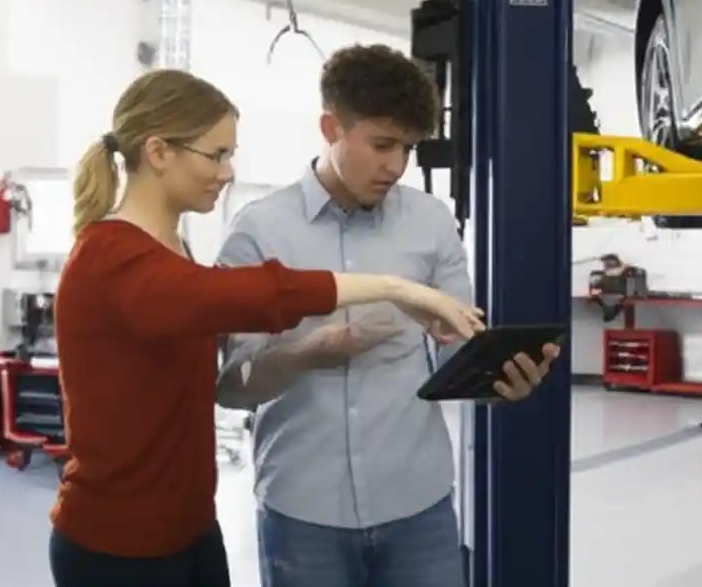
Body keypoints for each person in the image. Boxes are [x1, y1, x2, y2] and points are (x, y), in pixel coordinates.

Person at [48, 68, 485, 587]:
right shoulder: (113, 258)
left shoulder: (175, 251)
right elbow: (255, 299)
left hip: (188, 529)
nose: (228, 172)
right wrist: (395, 287)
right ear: (159, 152)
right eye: (217, 155)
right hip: (121, 543)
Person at [215, 44, 561, 587]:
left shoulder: (431, 223)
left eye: (408, 148)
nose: (396, 167)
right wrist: (312, 352)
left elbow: (460, 351)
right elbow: (232, 387)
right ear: (331, 127)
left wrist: (499, 382)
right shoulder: (259, 231)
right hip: (303, 510)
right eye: (381, 145)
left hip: (417, 506)